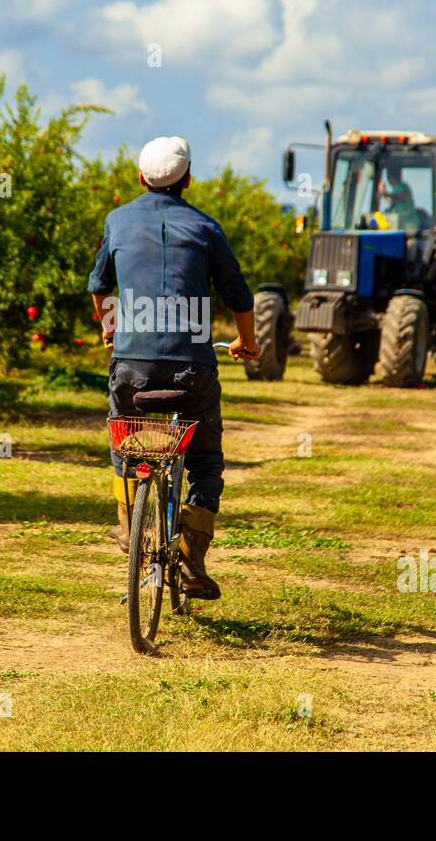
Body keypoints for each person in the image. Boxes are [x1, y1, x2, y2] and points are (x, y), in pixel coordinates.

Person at [87, 136, 259, 601]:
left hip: (132, 364)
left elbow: (100, 285)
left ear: (140, 178)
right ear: (188, 179)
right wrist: (247, 340)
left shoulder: (118, 221)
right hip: (193, 364)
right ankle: (190, 557)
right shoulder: (206, 227)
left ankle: (129, 528)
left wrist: (110, 327)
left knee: (125, 445)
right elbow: (238, 294)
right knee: (205, 459)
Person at [377, 162, 421, 234]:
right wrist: (384, 193)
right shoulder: (395, 189)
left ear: (389, 177)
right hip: (400, 226)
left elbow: (402, 196)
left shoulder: (403, 186)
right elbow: (393, 200)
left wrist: (386, 193)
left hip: (410, 226)